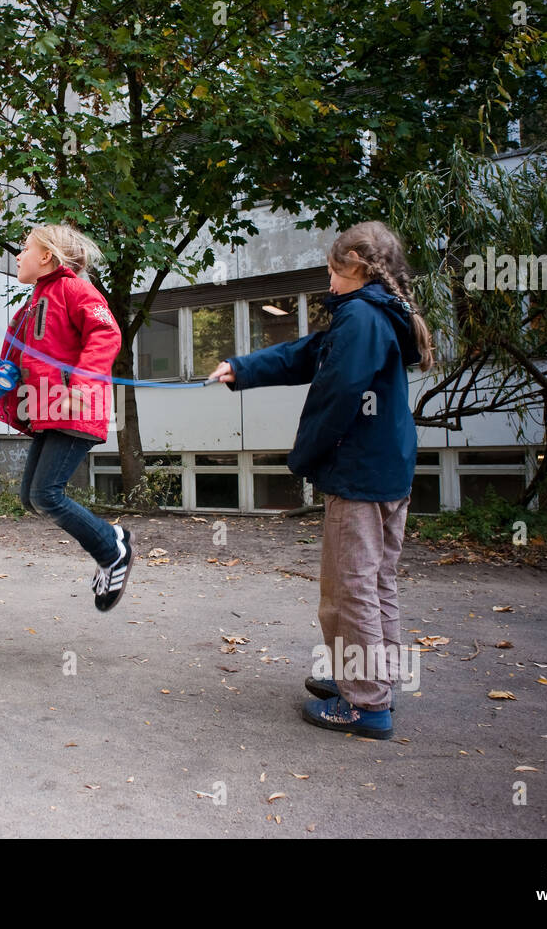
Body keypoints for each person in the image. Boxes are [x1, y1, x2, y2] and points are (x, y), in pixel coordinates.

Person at [209, 221, 435, 739]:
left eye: (331, 271)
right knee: (376, 583)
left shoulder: (360, 317)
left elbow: (337, 395)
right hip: (387, 469)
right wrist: (241, 368)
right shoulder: (376, 314)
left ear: (353, 265)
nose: (328, 282)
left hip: (358, 475)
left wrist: (305, 458)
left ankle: (365, 705)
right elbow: (310, 354)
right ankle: (373, 681)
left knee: (349, 590)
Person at [0, 223, 134, 611]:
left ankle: (112, 549)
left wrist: (80, 388)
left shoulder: (73, 288)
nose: (18, 256)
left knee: (46, 494)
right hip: (48, 410)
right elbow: (27, 353)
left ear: (47, 257)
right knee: (31, 498)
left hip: (74, 407)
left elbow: (106, 335)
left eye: (25, 249)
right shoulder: (35, 300)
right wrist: (6, 377)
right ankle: (113, 541)